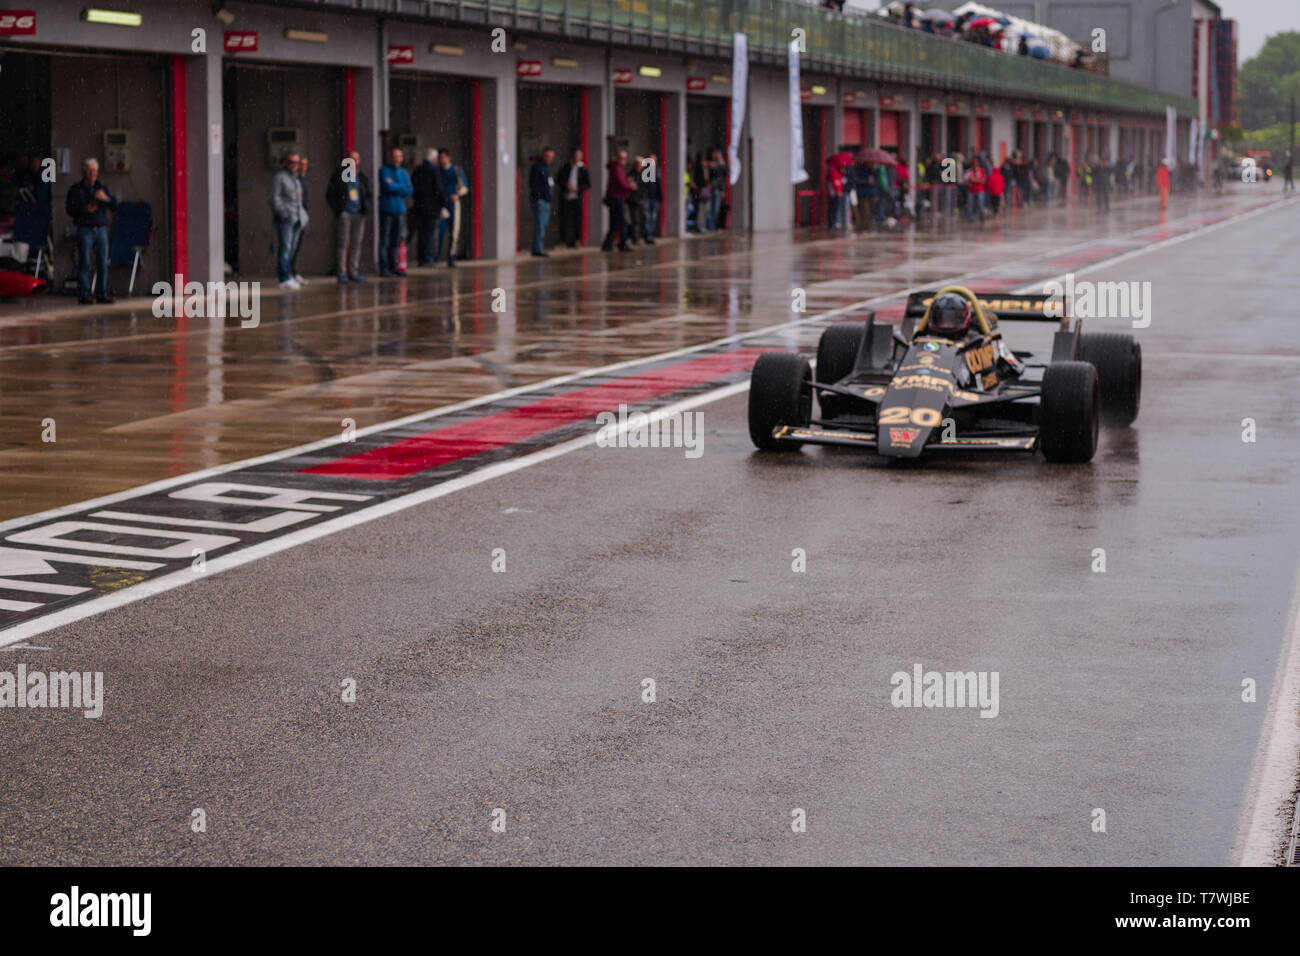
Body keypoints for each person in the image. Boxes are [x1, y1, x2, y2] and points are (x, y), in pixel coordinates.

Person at [66, 157, 118, 304]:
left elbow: (115, 206)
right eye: (89, 171)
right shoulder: (76, 189)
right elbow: (69, 210)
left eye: (95, 171)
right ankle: (84, 294)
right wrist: (84, 210)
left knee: (102, 262)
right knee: (85, 262)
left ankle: (102, 293)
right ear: (84, 172)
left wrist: (105, 198)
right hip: (85, 229)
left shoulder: (101, 187)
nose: (92, 174)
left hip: (100, 229)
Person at [325, 149, 372, 284]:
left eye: (356, 159)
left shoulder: (362, 176)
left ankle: (354, 271)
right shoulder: (340, 175)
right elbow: (330, 194)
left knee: (356, 243)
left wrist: (366, 207)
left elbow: (368, 194)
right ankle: (341, 273)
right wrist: (338, 210)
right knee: (343, 243)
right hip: (345, 213)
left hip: (359, 213)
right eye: (351, 159)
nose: (353, 162)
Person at [269, 152, 305, 290]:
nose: (294, 165)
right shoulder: (280, 177)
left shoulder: (296, 178)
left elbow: (299, 199)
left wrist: (303, 215)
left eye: (297, 162)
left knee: (292, 249)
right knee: (285, 248)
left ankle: (288, 275)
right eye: (291, 162)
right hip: (286, 218)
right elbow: (274, 198)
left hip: (297, 217)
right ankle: (283, 278)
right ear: (285, 163)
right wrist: (284, 213)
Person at [377, 148, 411, 277]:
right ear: (390, 157)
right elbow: (388, 186)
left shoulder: (404, 172)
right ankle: (384, 267)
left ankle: (394, 266)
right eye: (395, 156)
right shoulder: (384, 170)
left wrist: (396, 186)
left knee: (396, 240)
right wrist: (401, 186)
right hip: (387, 209)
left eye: (399, 156)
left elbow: (410, 190)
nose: (397, 158)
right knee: (385, 239)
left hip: (400, 210)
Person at [434, 149, 468, 267]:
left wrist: (457, 194)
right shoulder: (437, 171)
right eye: (440, 158)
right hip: (441, 204)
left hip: (453, 204)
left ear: (449, 158)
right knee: (440, 231)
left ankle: (451, 256)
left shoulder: (456, 170)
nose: (442, 160)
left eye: (444, 157)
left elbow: (464, 187)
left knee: (454, 232)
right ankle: (437, 257)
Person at [411, 148, 444, 266]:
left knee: (421, 234)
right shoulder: (435, 171)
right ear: (434, 159)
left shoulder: (418, 170)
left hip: (420, 207)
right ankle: (428, 258)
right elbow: (439, 189)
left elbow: (413, 186)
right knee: (430, 234)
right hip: (432, 208)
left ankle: (421, 258)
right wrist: (443, 203)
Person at [555, 148, 590, 248]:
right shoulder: (566, 166)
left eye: (578, 155)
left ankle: (577, 240)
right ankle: (562, 241)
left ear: (581, 156)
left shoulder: (583, 169)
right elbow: (558, 179)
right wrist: (566, 185)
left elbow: (587, 184)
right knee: (564, 219)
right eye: (575, 155)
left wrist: (578, 188)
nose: (576, 157)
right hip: (565, 197)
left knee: (577, 220)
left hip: (577, 198)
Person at [602, 147, 634, 252]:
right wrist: (630, 186)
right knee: (622, 222)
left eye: (625, 158)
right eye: (622, 158)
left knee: (614, 222)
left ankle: (608, 244)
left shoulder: (616, 168)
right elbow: (621, 183)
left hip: (615, 198)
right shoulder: (617, 168)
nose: (624, 161)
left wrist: (626, 181)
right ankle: (622, 243)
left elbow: (620, 181)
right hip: (617, 198)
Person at [528, 146, 555, 257]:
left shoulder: (546, 167)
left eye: (551, 157)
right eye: (547, 156)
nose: (549, 159)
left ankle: (538, 247)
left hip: (546, 201)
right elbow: (533, 184)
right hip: (540, 201)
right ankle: (537, 249)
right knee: (539, 226)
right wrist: (538, 198)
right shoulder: (538, 167)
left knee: (542, 226)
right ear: (543, 155)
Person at [289, 156, 310, 285]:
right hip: (293, 218)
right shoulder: (293, 181)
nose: (303, 167)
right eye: (301, 164)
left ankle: (293, 271)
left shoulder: (303, 181)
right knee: (290, 247)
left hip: (302, 218)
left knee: (296, 247)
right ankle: (287, 274)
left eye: (305, 165)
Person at [639, 152, 661, 244]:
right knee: (647, 217)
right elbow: (643, 185)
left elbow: (658, 185)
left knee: (653, 218)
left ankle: (650, 234)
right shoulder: (645, 171)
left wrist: (659, 196)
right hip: (647, 198)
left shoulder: (657, 171)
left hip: (655, 198)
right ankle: (647, 235)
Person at [625, 156, 646, 245]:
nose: (639, 166)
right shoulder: (631, 174)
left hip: (641, 199)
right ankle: (635, 237)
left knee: (642, 219)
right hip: (633, 200)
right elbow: (628, 185)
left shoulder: (644, 174)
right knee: (635, 220)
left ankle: (639, 236)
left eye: (641, 165)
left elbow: (645, 186)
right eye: (638, 164)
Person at [708, 149, 728, 230]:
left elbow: (725, 173)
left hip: (718, 189)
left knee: (716, 208)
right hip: (713, 188)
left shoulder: (721, 164)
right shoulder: (712, 163)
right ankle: (711, 226)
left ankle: (714, 226)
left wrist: (723, 190)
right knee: (711, 208)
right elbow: (713, 173)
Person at [964, 157, 986, 222]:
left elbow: (984, 181)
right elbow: (965, 181)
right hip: (971, 191)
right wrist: (969, 183)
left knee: (981, 204)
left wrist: (975, 180)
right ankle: (970, 218)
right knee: (970, 205)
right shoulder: (969, 171)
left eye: (976, 163)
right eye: (973, 163)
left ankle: (982, 217)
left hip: (980, 190)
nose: (975, 165)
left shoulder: (981, 171)